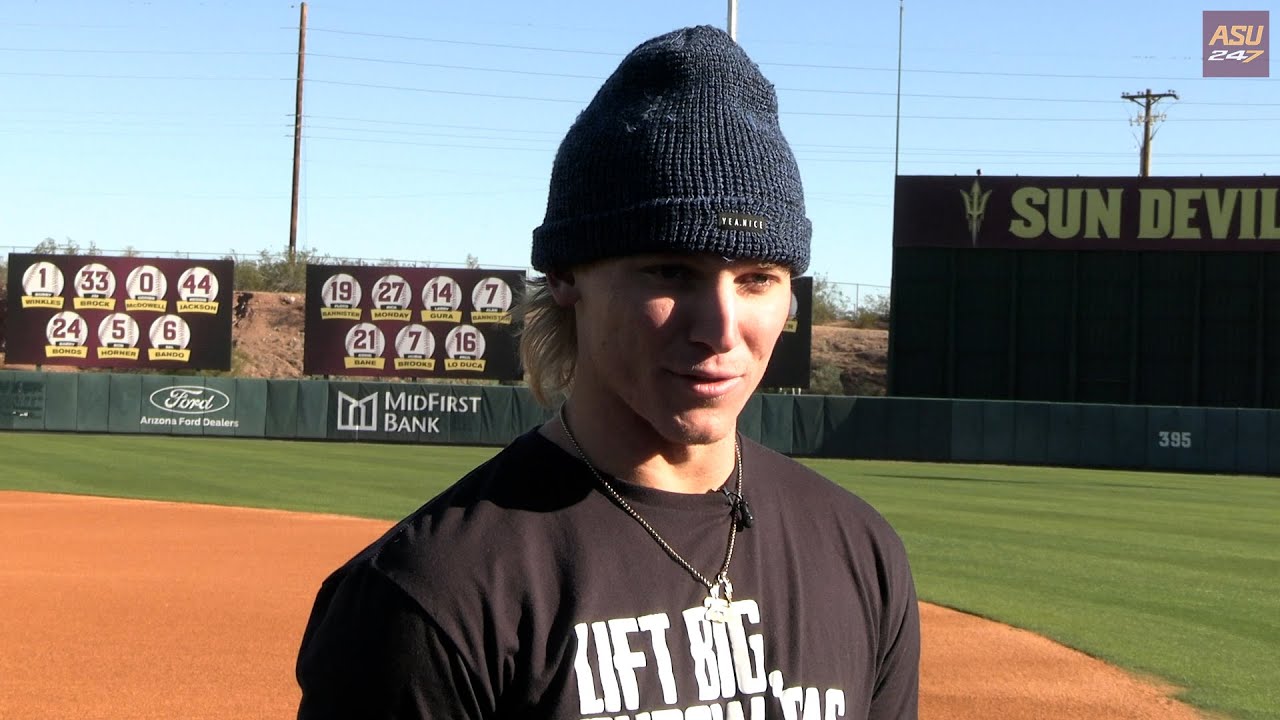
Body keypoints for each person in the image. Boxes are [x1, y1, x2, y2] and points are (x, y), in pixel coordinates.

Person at [296, 25, 919, 719]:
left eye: (756, 279)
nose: (719, 330)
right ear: (565, 274)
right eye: (671, 271)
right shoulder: (428, 597)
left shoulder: (861, 554)